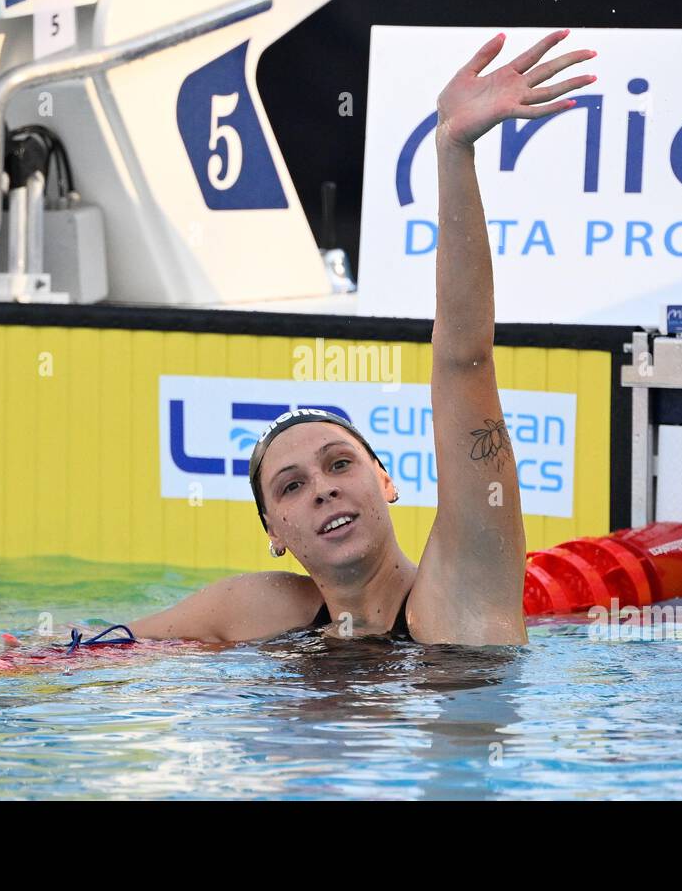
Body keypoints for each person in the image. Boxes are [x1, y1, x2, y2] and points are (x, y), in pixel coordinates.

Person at [126, 31, 597, 646]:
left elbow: (465, 360)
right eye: (291, 487)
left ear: (386, 482)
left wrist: (452, 149)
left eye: (340, 464)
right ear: (274, 531)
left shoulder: (459, 597)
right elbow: (90, 651)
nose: (322, 489)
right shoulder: (258, 611)